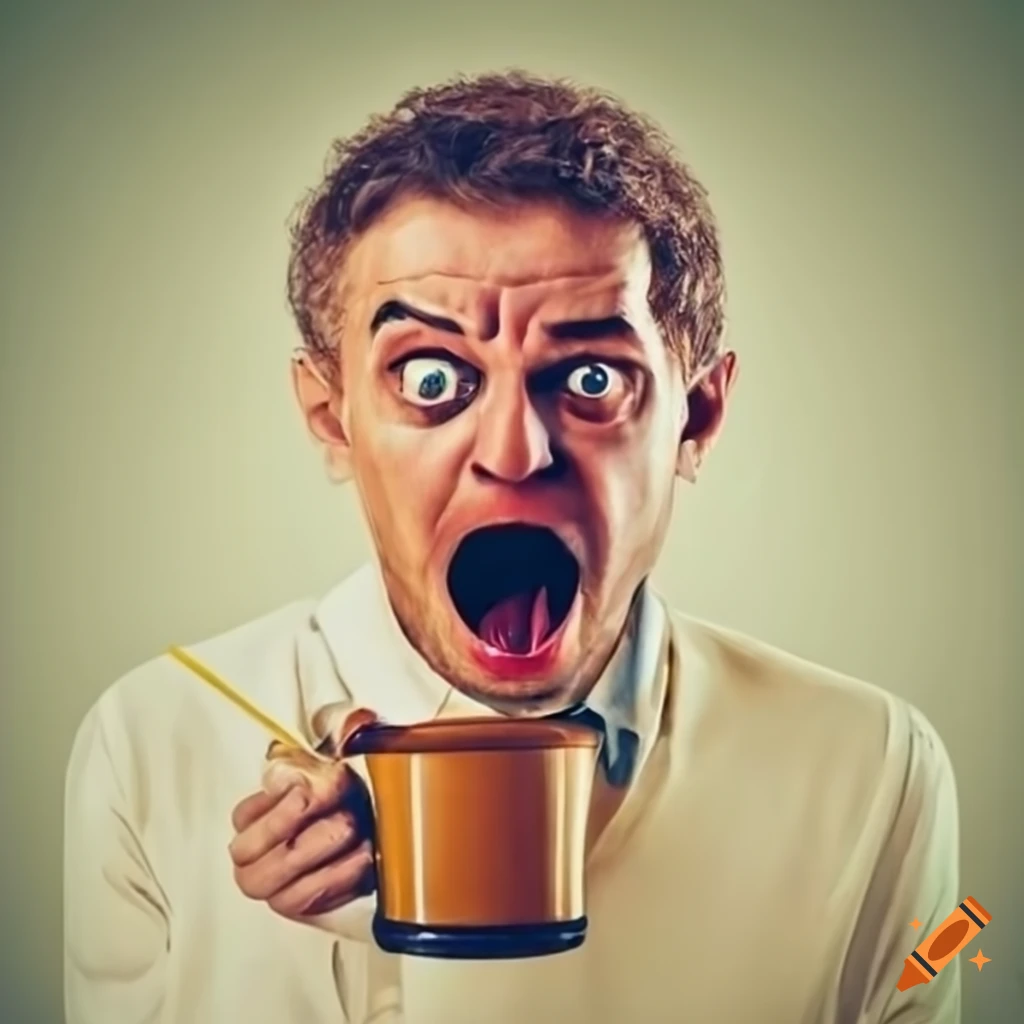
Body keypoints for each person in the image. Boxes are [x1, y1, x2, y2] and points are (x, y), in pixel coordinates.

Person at [64, 71, 960, 1024]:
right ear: (333, 418)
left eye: (588, 376)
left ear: (697, 415)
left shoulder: (873, 771)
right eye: (433, 376)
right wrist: (263, 949)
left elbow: (946, 966)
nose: (514, 452)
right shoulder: (152, 749)